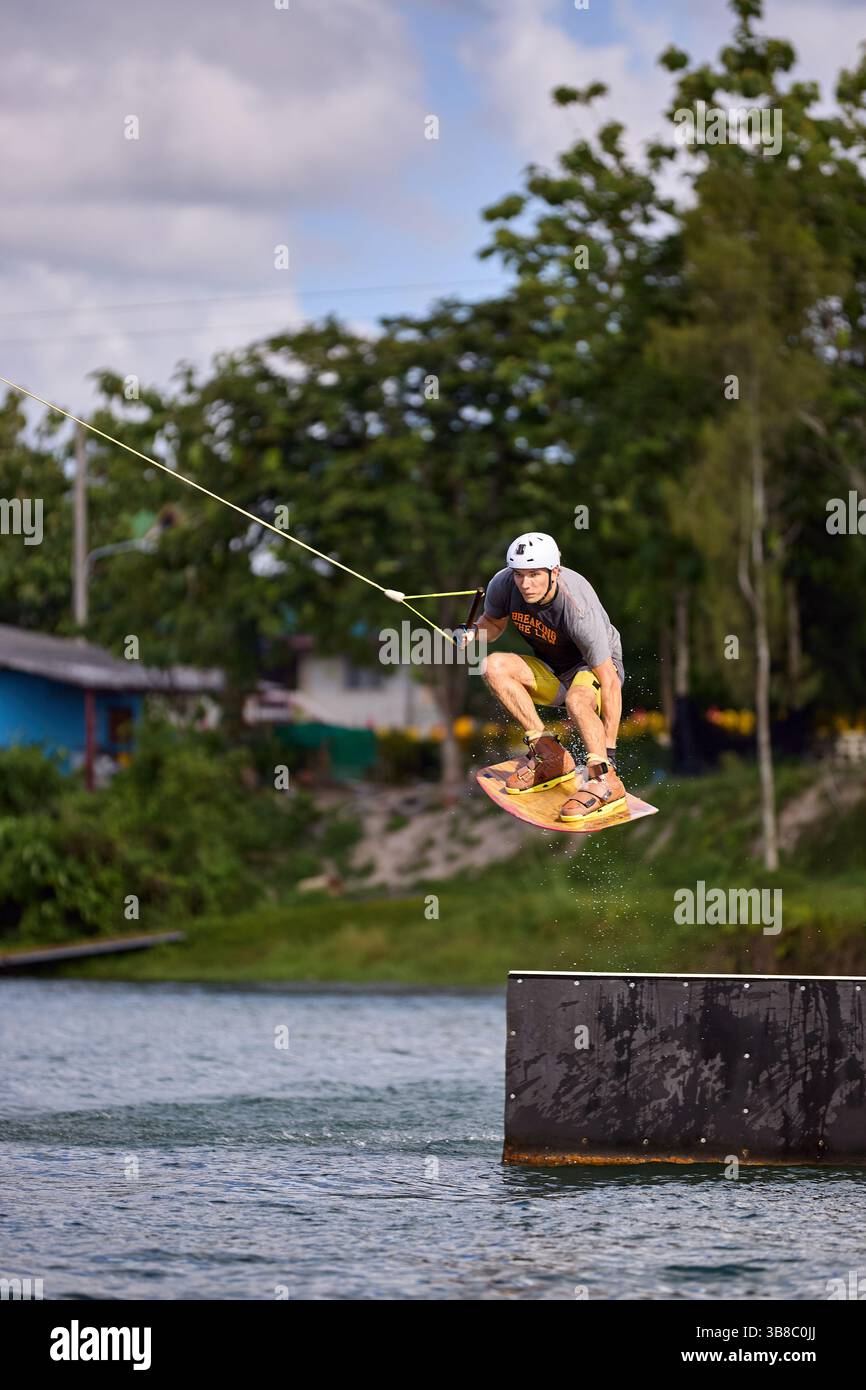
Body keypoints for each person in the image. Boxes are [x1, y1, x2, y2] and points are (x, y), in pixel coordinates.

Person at [456, 532, 627, 825]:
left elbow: (609, 682)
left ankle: (604, 780)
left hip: (593, 670)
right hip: (553, 671)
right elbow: (493, 625)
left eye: (534, 575)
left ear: (554, 572)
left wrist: (608, 756)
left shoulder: (577, 608)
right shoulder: (504, 584)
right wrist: (472, 634)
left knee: (578, 699)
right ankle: (549, 754)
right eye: (520, 575)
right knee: (491, 666)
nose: (525, 584)